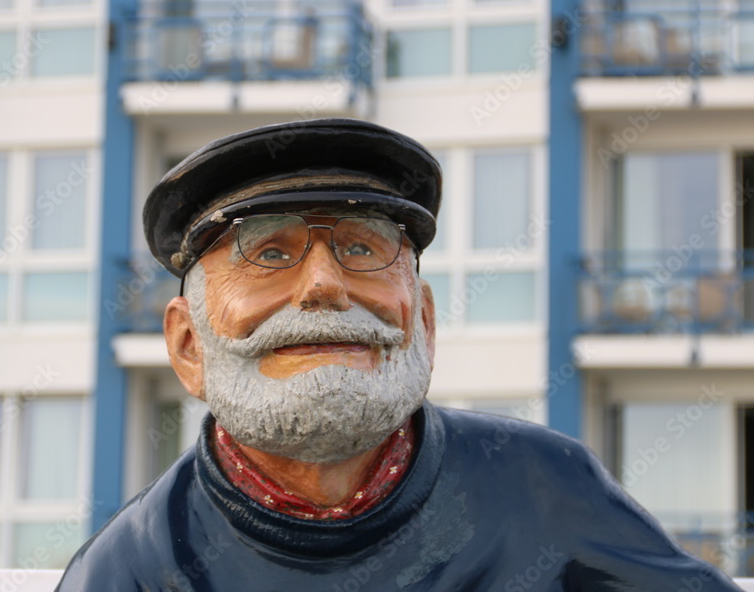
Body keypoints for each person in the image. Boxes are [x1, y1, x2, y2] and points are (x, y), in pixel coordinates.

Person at [56, 118, 739, 591]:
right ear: (187, 344)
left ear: (425, 321)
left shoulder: (543, 485)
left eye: (361, 248)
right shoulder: (135, 566)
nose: (324, 284)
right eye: (268, 253)